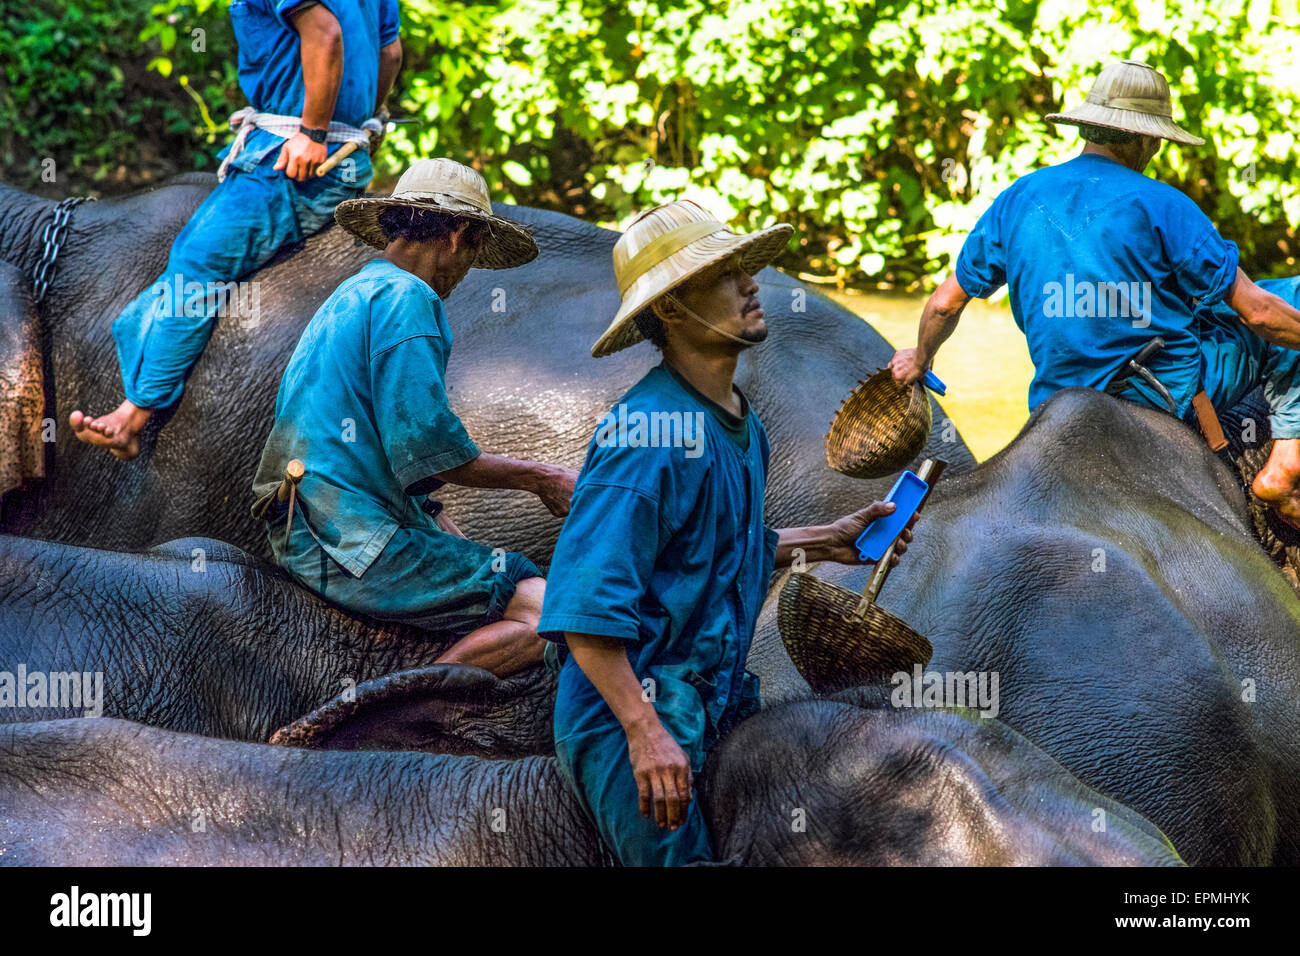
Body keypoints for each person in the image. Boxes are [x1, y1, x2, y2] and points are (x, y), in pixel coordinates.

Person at [538, 200, 915, 865]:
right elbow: (583, 608)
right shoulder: (646, 439)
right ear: (674, 310)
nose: (751, 285)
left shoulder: (739, 421)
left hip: (712, 693)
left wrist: (829, 539)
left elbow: (712, 555)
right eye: (723, 275)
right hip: (629, 704)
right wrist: (643, 731)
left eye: (746, 269)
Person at [889, 59, 1300, 526]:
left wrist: (920, 359)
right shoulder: (1162, 204)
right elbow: (1260, 315)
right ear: (1147, 138)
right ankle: (1285, 466)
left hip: (1054, 403)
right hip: (1161, 399)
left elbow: (945, 303)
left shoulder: (1019, 197)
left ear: (1089, 127)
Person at [251, 158, 576, 677]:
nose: (468, 271)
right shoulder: (410, 298)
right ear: (457, 233)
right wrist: (543, 477)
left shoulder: (358, 289)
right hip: (347, 539)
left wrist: (426, 509)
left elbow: (379, 440)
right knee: (553, 610)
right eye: (472, 252)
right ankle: (403, 717)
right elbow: (426, 441)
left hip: (305, 522)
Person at [72, 0, 404, 460]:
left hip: (291, 162)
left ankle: (135, 412)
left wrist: (312, 131)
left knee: (198, 262)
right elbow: (390, 53)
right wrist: (369, 119)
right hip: (348, 157)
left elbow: (325, 33)